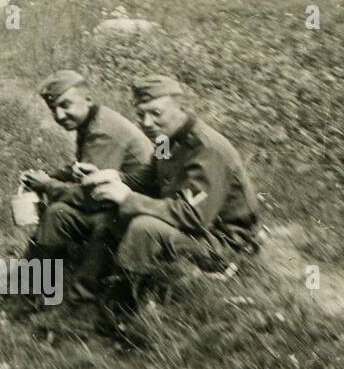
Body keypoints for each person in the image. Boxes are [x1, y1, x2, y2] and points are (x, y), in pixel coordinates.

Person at [87, 75, 260, 328]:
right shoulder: (167, 139)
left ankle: (121, 316)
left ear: (181, 107)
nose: (147, 123)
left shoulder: (207, 149)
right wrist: (116, 177)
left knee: (143, 227)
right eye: (141, 115)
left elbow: (194, 216)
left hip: (224, 241)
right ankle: (87, 297)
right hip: (195, 230)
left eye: (156, 113)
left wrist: (126, 197)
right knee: (111, 216)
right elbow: (150, 181)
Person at [21, 70, 154, 300]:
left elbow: (91, 198)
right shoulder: (95, 120)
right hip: (122, 203)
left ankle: (58, 292)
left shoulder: (102, 132)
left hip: (133, 212)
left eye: (65, 105)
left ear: (88, 99)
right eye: (54, 110)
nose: (60, 115)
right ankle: (33, 284)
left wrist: (48, 185)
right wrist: (52, 177)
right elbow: (83, 168)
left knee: (58, 213)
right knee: (57, 210)